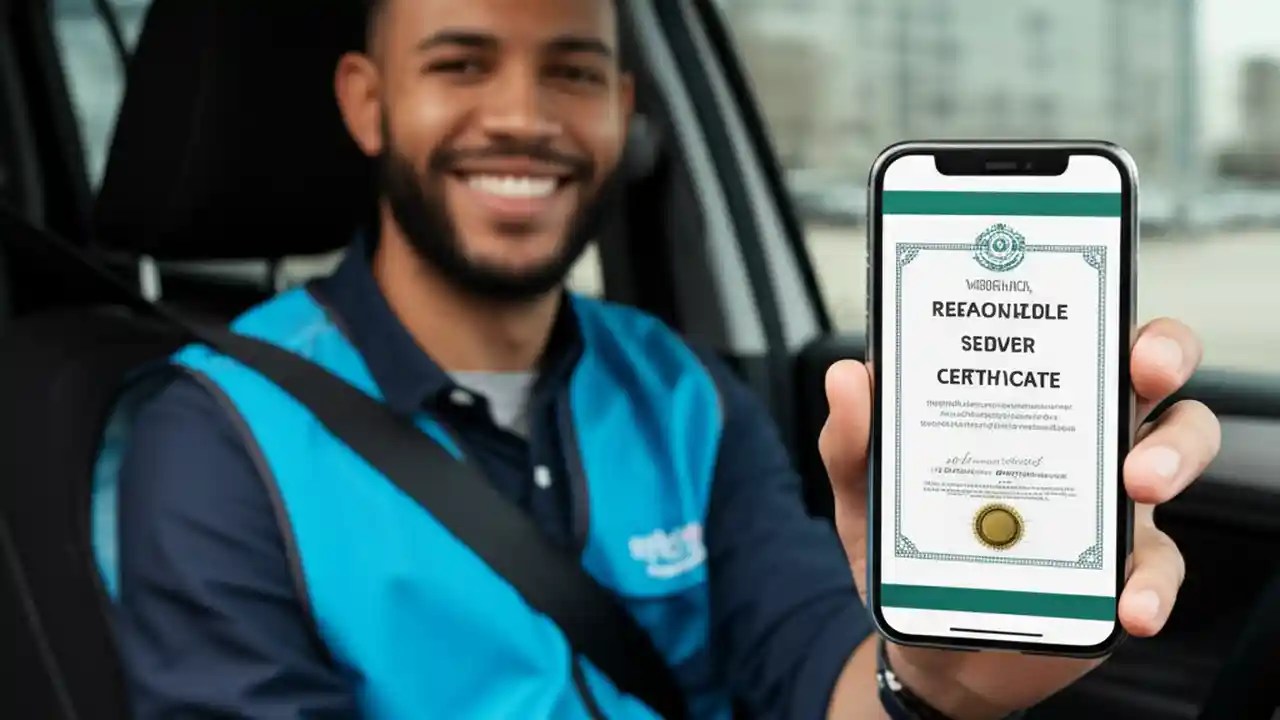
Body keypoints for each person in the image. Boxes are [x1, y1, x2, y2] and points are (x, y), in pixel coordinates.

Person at [108, 0, 1222, 717]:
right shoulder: (215, 431)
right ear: (366, 101)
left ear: (621, 112)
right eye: (459, 62)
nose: (522, 116)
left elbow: (809, 663)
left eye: (574, 73)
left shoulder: (680, 390)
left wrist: (931, 685)